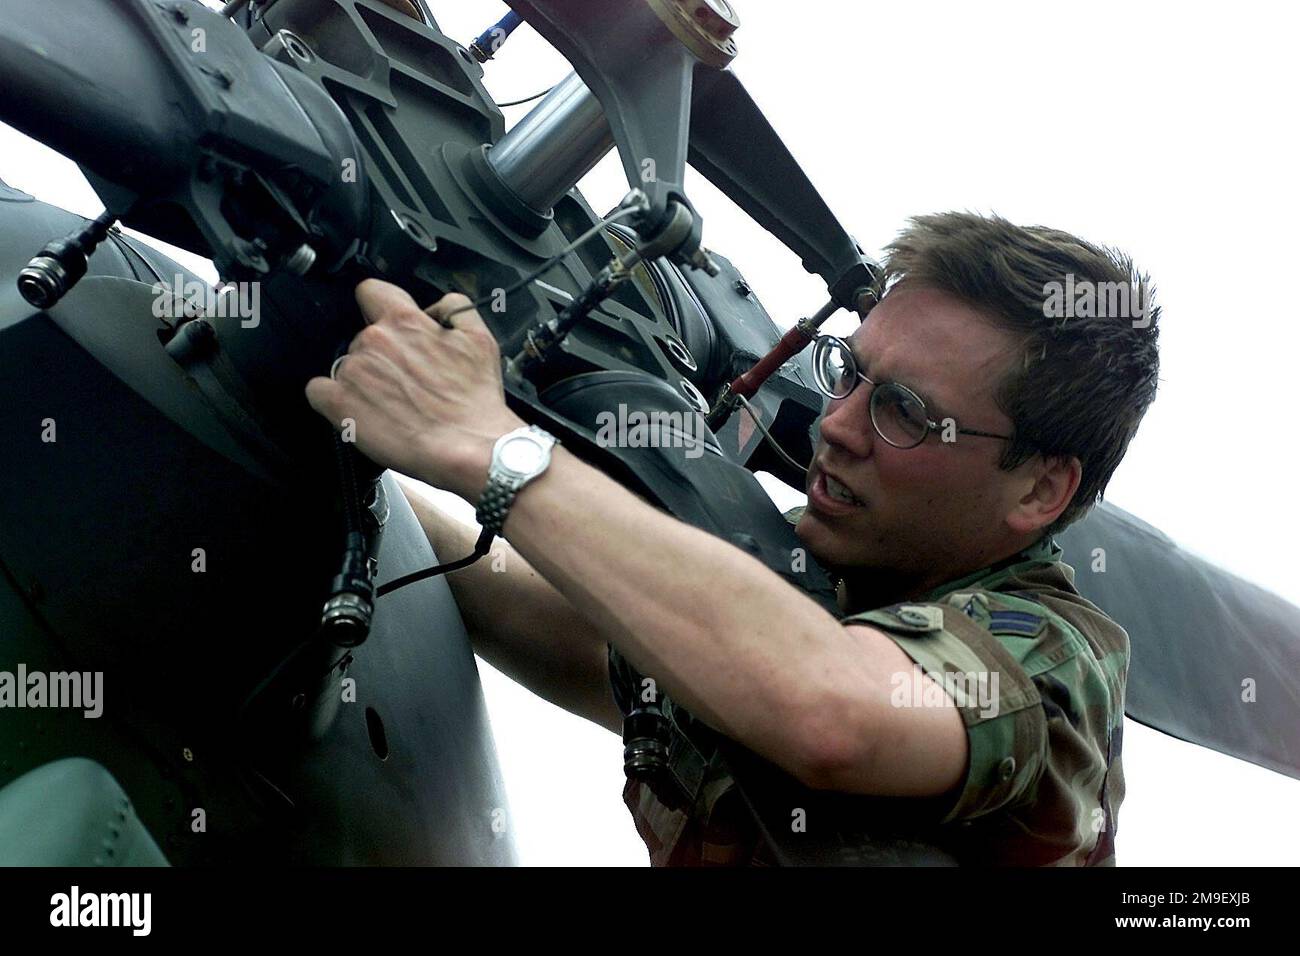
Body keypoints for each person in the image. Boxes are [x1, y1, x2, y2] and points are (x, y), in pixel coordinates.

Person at [305, 211, 1160, 866]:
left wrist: (489, 446)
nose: (837, 426)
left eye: (904, 410)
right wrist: (372, 487)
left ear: (1040, 489)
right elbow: (592, 638)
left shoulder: (1050, 660)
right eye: (848, 372)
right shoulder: (802, 579)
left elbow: (828, 711)